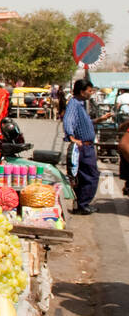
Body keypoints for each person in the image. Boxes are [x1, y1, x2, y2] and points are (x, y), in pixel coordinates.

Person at [63, 78, 101, 214]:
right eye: (89, 91)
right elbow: (68, 120)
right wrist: (71, 137)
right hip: (83, 147)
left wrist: (98, 120)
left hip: (86, 146)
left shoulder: (80, 105)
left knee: (84, 176)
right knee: (92, 175)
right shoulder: (74, 104)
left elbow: (83, 123)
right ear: (82, 91)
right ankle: (83, 204)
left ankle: (80, 203)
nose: (91, 93)